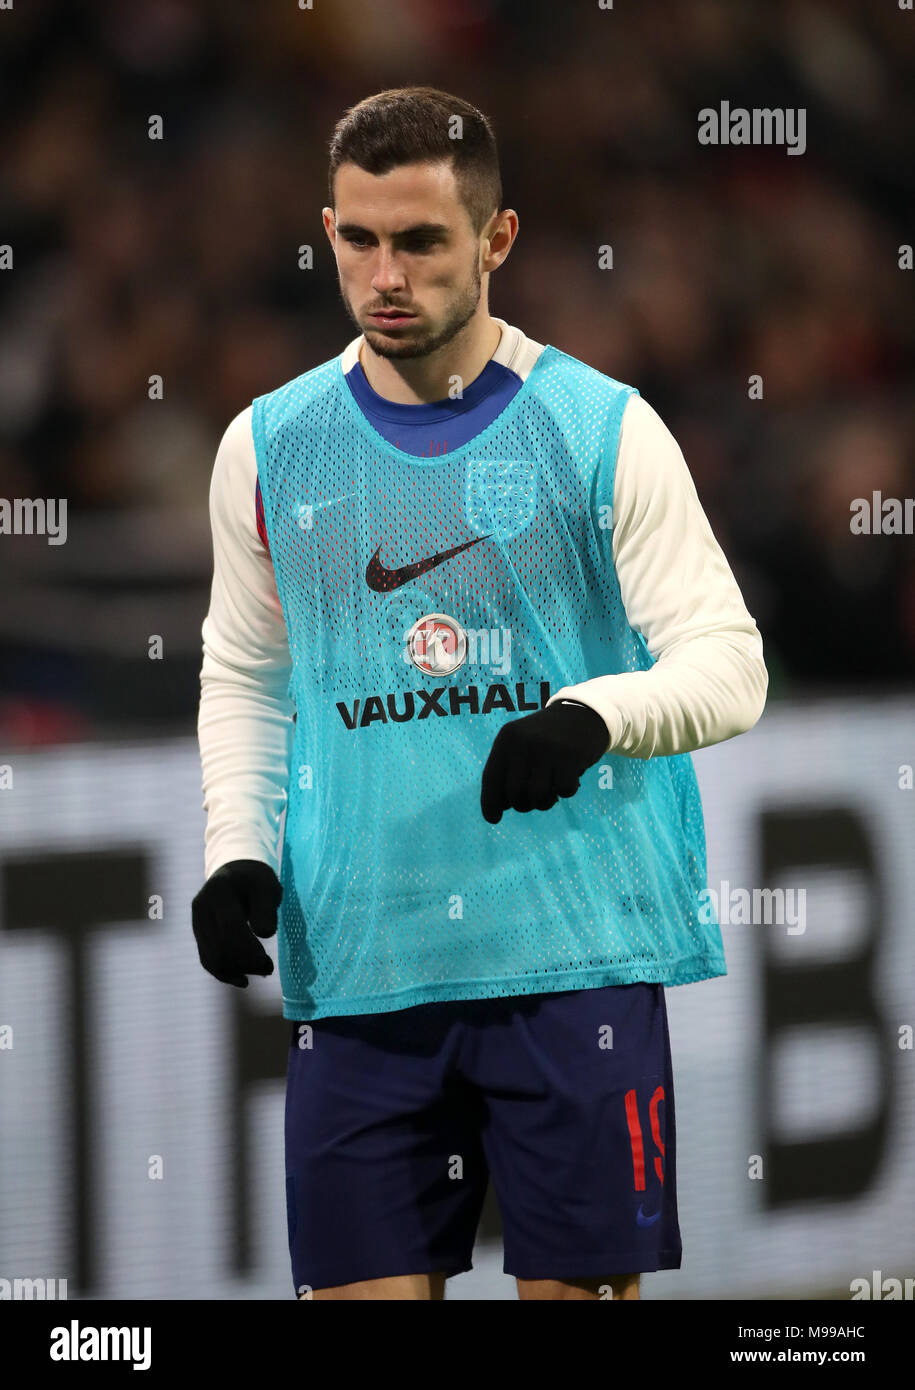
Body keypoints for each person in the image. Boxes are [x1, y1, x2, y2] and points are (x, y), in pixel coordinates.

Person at [192, 86, 768, 1301]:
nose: (383, 274)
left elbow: (729, 660)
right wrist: (236, 847)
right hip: (360, 964)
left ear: (497, 241)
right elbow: (245, 671)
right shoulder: (267, 446)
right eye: (358, 239)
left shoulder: (602, 428)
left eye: (421, 241)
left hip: (572, 962)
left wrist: (594, 714)